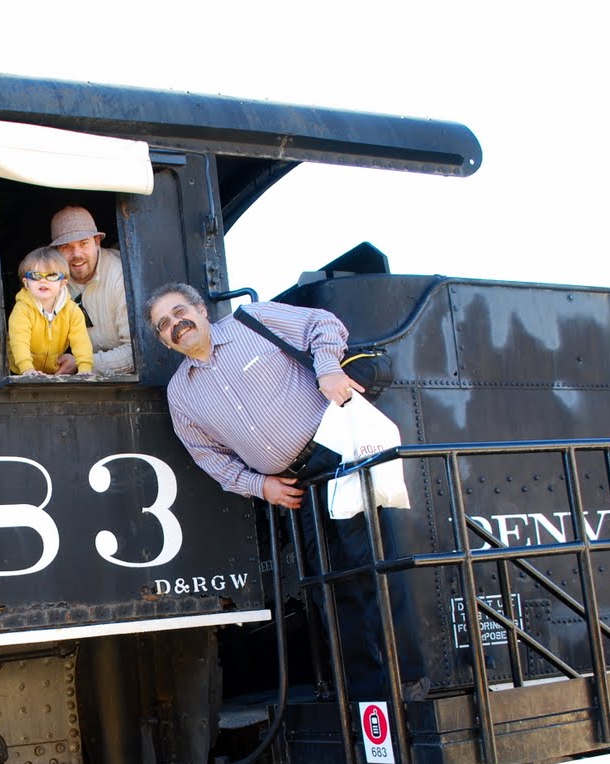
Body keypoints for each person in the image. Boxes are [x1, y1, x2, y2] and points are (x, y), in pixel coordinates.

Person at [145, 281, 426, 702]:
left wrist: (329, 367)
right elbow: (208, 456)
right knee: (330, 587)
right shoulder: (181, 394)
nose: (176, 324)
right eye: (164, 324)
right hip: (296, 486)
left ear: (201, 310)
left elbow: (321, 324)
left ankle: (408, 683)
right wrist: (261, 486)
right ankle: (367, 694)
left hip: (338, 455)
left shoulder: (251, 322)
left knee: (374, 566)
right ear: (164, 341)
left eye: (180, 311)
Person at [50, 206, 133, 374]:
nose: (77, 254)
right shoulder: (49, 282)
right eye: (66, 247)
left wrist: (82, 363)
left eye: (83, 243)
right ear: (56, 252)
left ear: (97, 242)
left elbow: (135, 352)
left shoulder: (121, 276)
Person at [7, 247, 93, 376]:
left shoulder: (72, 311)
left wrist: (85, 369)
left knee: (73, 363)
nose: (43, 280)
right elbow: (19, 341)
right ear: (26, 283)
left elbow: (81, 341)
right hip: (19, 370)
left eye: (52, 275)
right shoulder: (22, 309)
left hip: (53, 368)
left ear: (63, 283)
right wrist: (27, 369)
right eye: (35, 276)